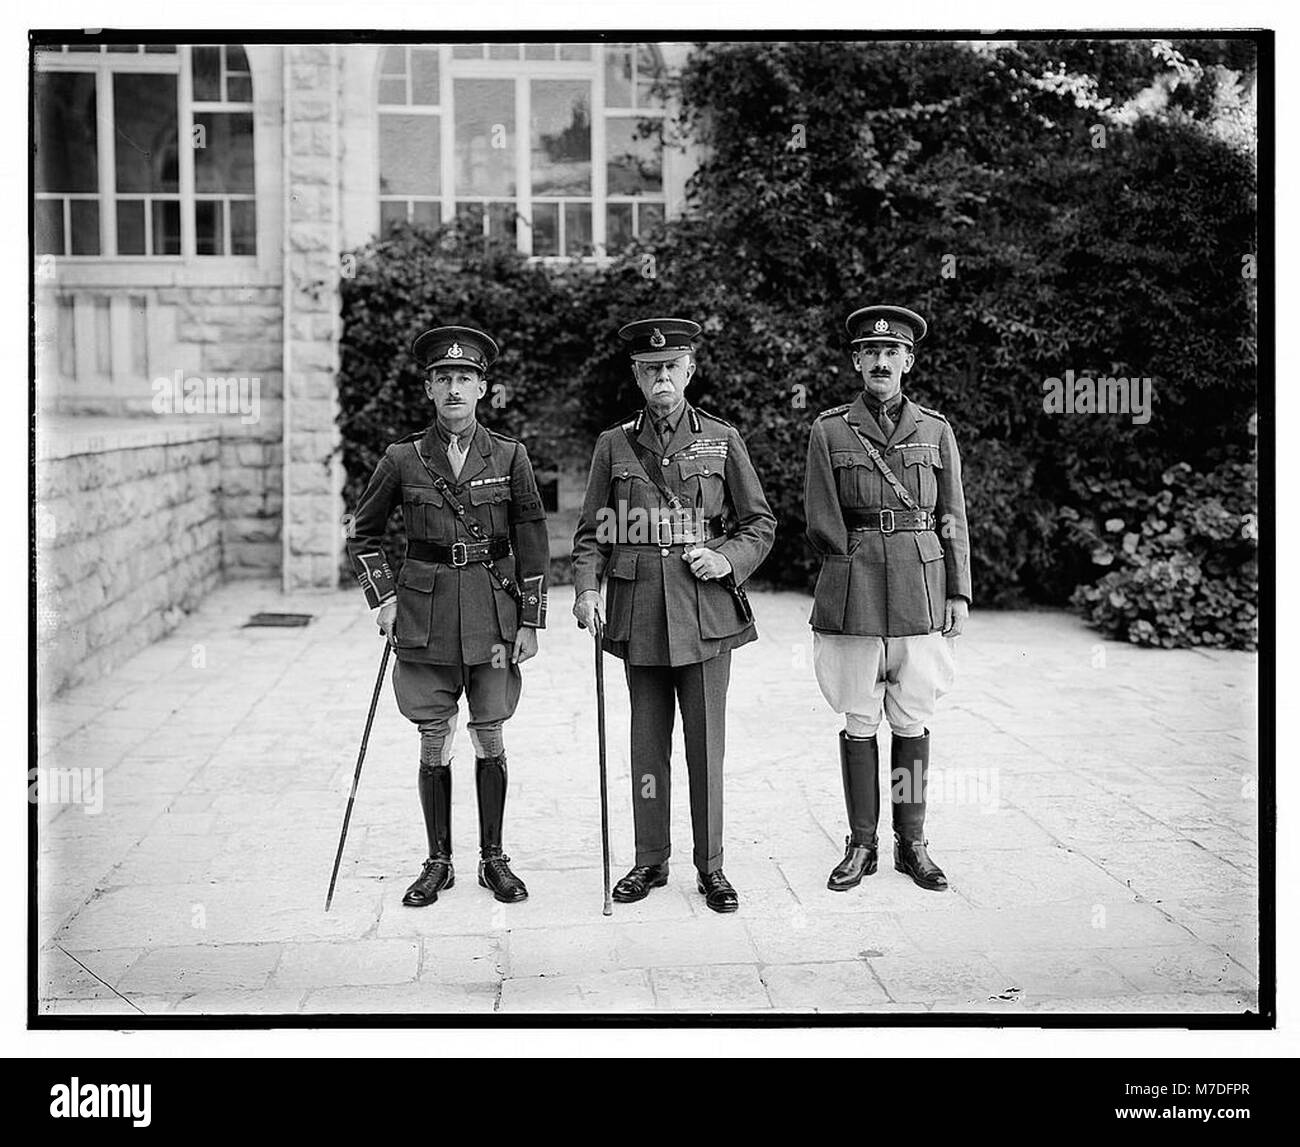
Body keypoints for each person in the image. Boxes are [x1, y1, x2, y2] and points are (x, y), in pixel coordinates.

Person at [572, 317, 776, 913]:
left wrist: (725, 557)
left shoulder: (720, 438)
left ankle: (710, 867)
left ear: (690, 371)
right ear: (636, 376)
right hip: (638, 613)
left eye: (671, 367)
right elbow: (593, 532)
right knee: (646, 746)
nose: (661, 376)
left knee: (705, 746)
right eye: (650, 368)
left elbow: (759, 523)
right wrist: (587, 589)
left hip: (704, 609)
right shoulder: (614, 445)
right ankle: (649, 858)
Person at [347, 326, 549, 908]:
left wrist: (531, 620)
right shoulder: (402, 459)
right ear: (429, 389)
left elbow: (532, 538)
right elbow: (363, 532)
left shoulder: (511, 456)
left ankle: (493, 859)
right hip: (424, 614)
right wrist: (383, 599)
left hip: (491, 612)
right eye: (444, 379)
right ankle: (439, 861)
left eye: (466, 378)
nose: (455, 388)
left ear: (483, 388)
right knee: (434, 735)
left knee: (489, 731)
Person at [803, 305, 971, 893]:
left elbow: (952, 516)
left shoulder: (935, 429)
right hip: (853, 592)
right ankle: (861, 844)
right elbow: (821, 518)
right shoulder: (829, 430)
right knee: (857, 715)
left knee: (913, 716)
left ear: (908, 361)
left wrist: (958, 591)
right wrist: (852, 564)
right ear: (856, 362)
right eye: (869, 353)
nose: (881, 362)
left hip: (922, 589)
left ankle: (913, 844)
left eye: (891, 353)